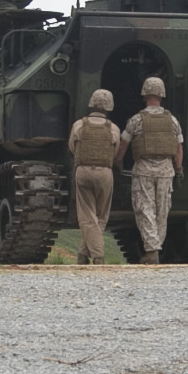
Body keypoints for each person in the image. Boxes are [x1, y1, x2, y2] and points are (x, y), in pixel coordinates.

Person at [116, 77, 184, 264]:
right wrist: (178, 169)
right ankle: (155, 248)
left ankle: (152, 249)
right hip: (166, 170)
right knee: (162, 211)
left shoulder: (136, 120)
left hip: (144, 170)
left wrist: (118, 161)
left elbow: (123, 144)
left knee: (145, 208)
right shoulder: (172, 121)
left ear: (144, 95)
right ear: (162, 95)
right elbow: (179, 149)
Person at [67, 89, 120, 265]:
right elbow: (116, 152)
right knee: (101, 216)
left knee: (87, 216)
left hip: (82, 170)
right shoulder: (113, 128)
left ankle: (86, 256)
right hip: (105, 172)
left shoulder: (78, 125)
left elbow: (72, 148)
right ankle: (97, 256)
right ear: (109, 107)